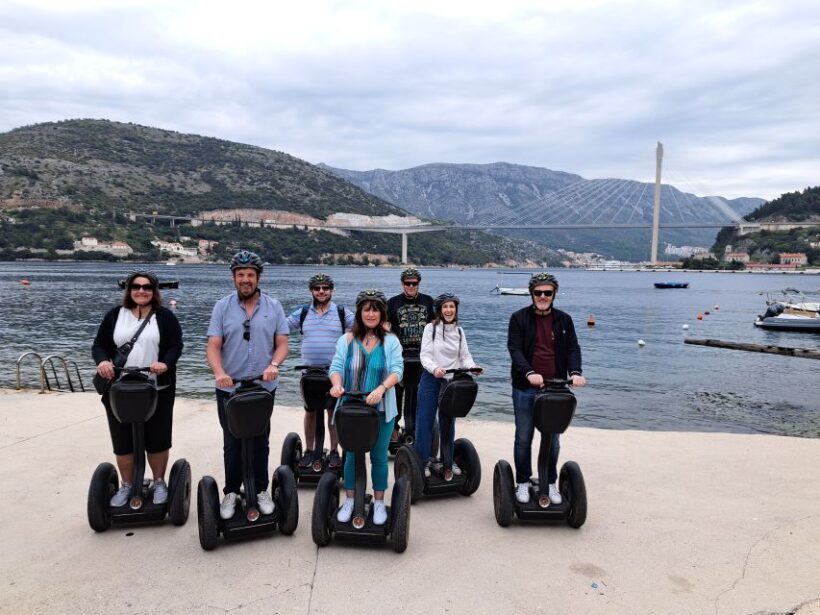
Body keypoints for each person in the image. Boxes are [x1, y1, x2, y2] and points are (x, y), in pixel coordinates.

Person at [206, 250, 289, 520]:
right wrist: (219, 372)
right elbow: (214, 346)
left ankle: (262, 489)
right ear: (234, 278)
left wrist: (273, 365)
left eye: (250, 275)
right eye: (240, 275)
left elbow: (282, 344)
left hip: (262, 388)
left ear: (258, 277)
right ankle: (231, 491)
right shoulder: (222, 307)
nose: (245, 279)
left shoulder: (274, 307)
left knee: (260, 440)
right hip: (229, 389)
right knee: (232, 442)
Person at [92, 270, 183, 506]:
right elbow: (99, 345)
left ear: (154, 292)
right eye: (136, 287)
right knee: (122, 439)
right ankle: (127, 484)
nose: (141, 291)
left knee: (157, 437)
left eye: (147, 287)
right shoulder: (115, 315)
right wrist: (102, 362)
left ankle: (160, 481)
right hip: (119, 389)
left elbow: (175, 345)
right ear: (129, 290)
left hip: (156, 388)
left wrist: (166, 363)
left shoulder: (164, 317)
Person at [507, 272, 586, 505]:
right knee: (523, 437)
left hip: (555, 389)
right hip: (526, 387)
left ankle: (550, 482)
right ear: (531, 294)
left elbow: (573, 348)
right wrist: (529, 372)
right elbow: (515, 350)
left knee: (553, 439)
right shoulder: (518, 318)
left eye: (547, 293)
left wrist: (575, 372)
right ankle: (522, 481)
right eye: (538, 292)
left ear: (554, 294)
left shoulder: (564, 320)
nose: (543, 296)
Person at [329, 289, 403, 526]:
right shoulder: (347, 340)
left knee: (379, 456)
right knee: (351, 455)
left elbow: (397, 371)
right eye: (366, 309)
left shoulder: (390, 341)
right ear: (360, 312)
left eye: (375, 309)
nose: (371, 314)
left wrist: (381, 389)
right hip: (351, 409)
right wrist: (337, 385)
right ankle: (350, 499)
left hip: (381, 410)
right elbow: (336, 366)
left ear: (382, 314)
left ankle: (379, 502)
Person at [287, 273, 354, 470]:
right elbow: (281, 328)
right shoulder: (303, 312)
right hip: (308, 373)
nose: (321, 291)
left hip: (333, 373)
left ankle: (333, 451)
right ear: (311, 291)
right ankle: (309, 450)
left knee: (332, 411)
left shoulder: (342, 312)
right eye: (317, 288)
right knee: (310, 412)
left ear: (331, 290)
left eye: (325, 288)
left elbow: (362, 328)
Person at [417, 292, 481, 480]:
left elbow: (464, 356)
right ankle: (422, 461)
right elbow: (425, 355)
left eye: (451, 306)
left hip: (451, 383)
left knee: (448, 423)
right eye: (445, 307)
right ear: (439, 310)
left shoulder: (460, 331)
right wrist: (435, 368)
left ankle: (447, 461)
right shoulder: (431, 328)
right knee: (425, 422)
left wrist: (472, 368)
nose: (448, 310)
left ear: (456, 309)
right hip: (431, 379)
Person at [387, 267, 434, 443]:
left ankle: (413, 427)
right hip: (399, 355)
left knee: (417, 394)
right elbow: (384, 327)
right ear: (402, 284)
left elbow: (437, 326)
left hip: (422, 356)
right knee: (396, 393)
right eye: (408, 283)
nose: (411, 286)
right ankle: (393, 428)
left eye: (414, 283)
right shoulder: (392, 303)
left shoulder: (429, 301)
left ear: (418, 284)